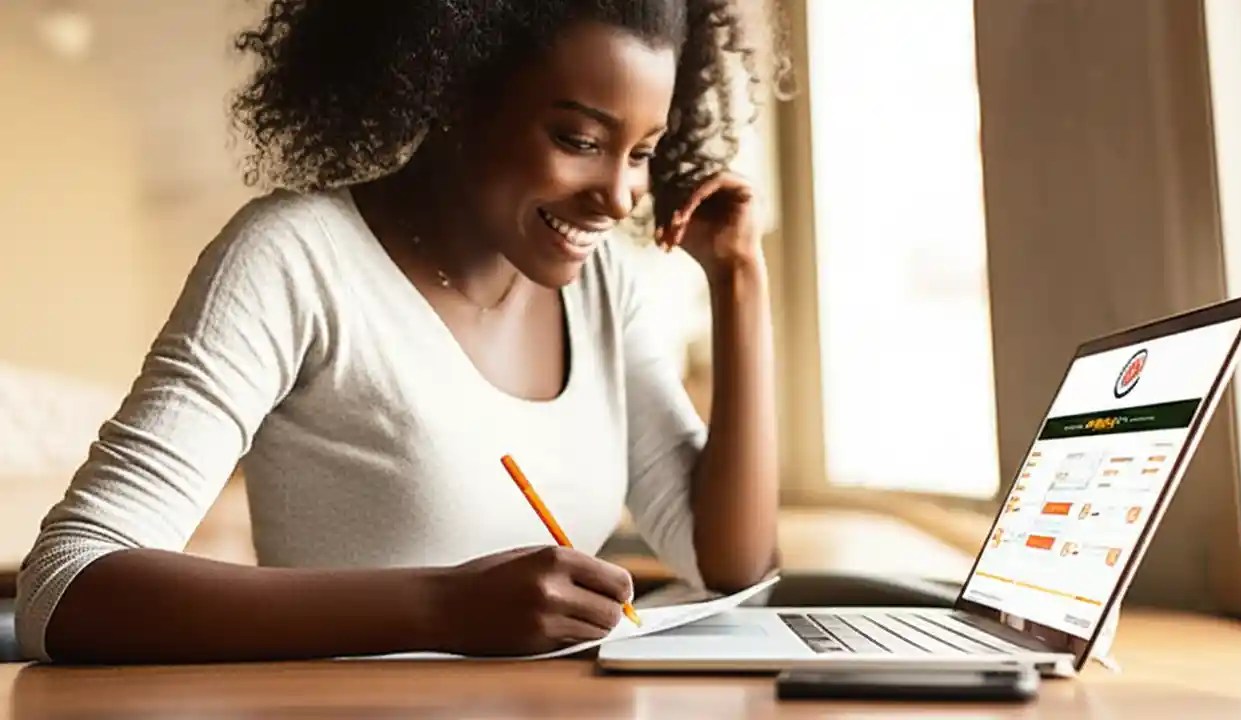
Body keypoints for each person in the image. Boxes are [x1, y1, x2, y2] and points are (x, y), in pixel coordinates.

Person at [15, 0, 786, 664]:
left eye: (643, 153)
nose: (619, 198)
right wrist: (446, 609)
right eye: (580, 141)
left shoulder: (602, 286)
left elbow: (730, 564)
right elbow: (68, 584)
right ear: (455, 88)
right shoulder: (297, 259)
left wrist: (738, 277)